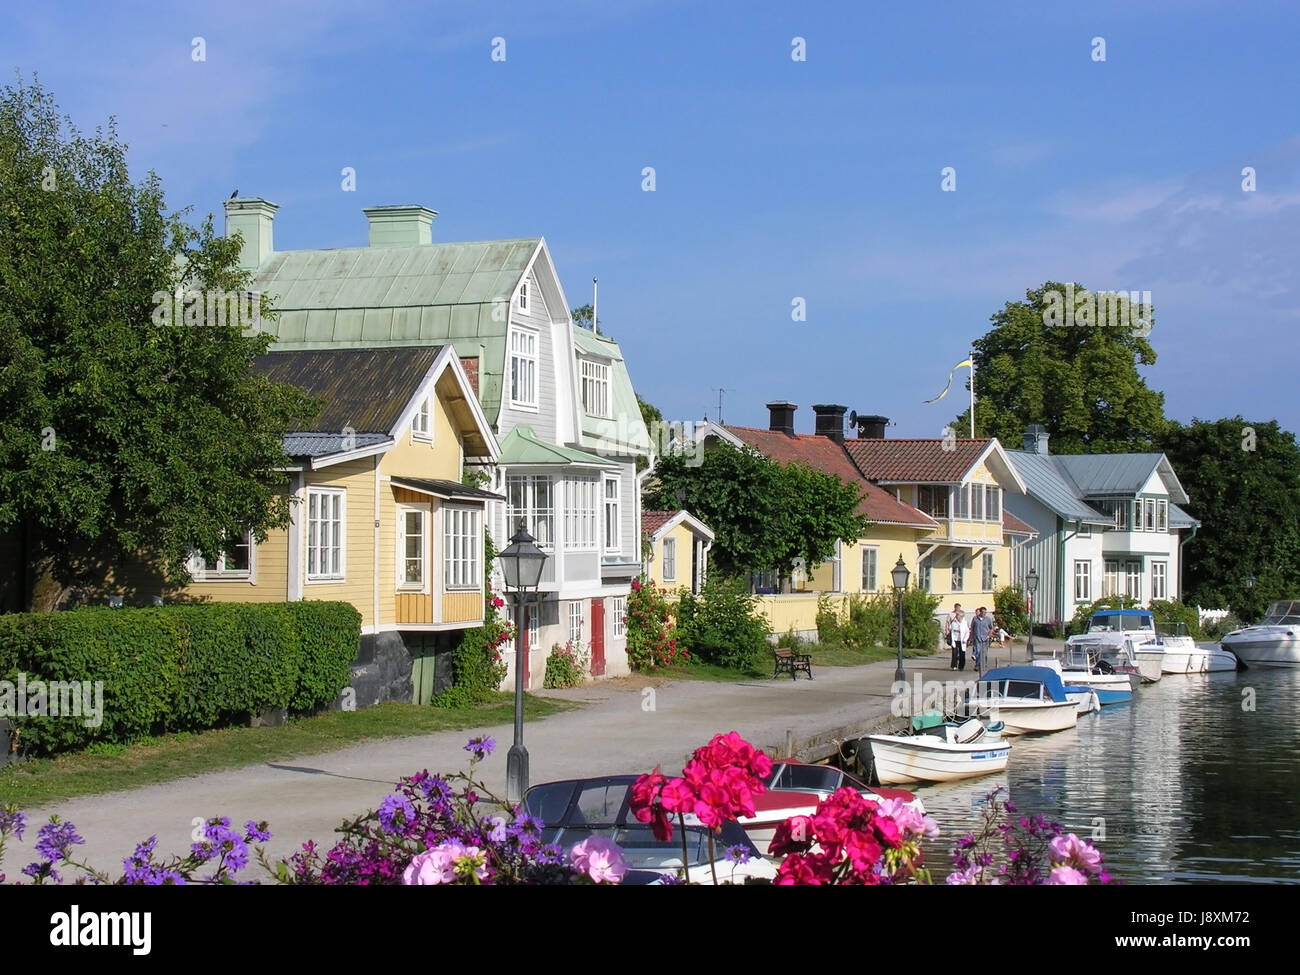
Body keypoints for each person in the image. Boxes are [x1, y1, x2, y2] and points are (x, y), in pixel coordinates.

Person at [947, 605, 968, 671]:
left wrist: (965, 639)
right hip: (955, 640)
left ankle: (961, 666)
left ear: (961, 616)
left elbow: (967, 632)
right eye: (956, 615)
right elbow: (950, 628)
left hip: (962, 641)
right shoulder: (954, 622)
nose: (956, 616)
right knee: (954, 653)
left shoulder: (964, 623)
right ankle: (954, 665)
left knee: (962, 653)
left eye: (958, 615)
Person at [971, 606, 993, 672]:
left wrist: (989, 635)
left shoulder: (988, 619)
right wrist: (971, 637)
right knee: (978, 651)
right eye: (983, 612)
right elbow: (972, 628)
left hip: (985, 638)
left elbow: (991, 628)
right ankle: (977, 665)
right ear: (980, 612)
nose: (984, 613)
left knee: (984, 653)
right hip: (977, 637)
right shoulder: (975, 619)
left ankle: (984, 664)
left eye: (985, 612)